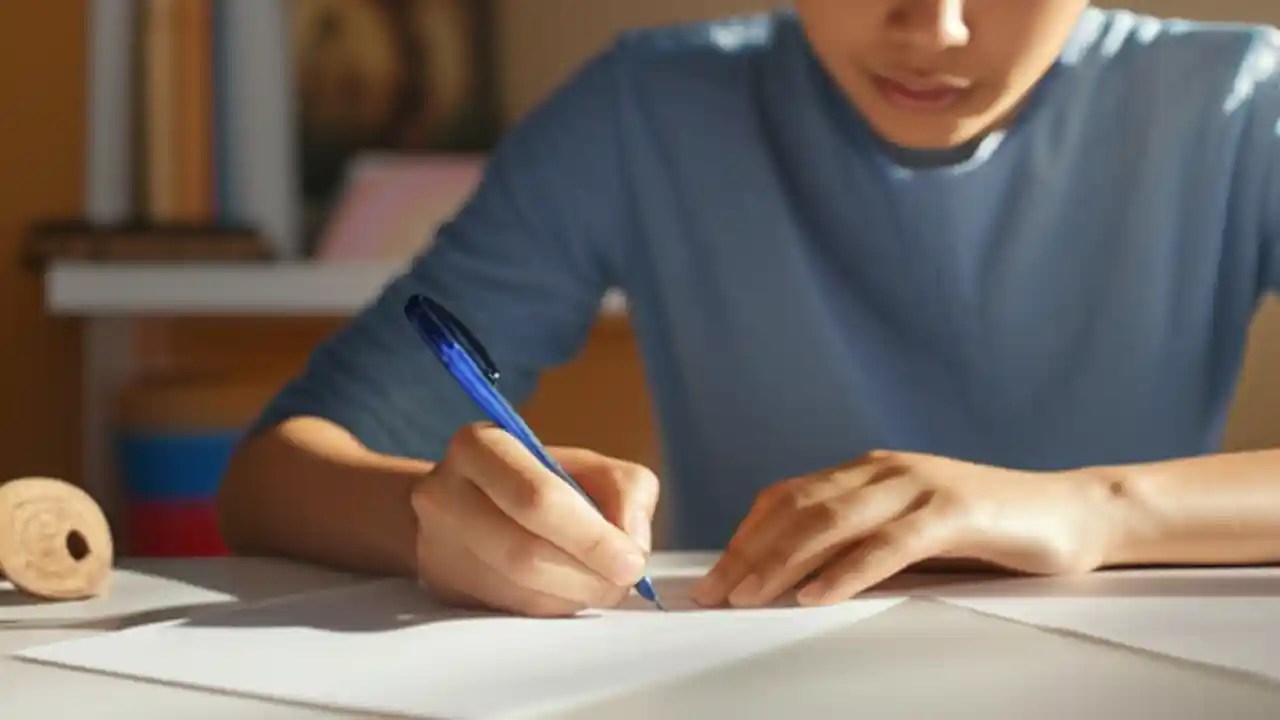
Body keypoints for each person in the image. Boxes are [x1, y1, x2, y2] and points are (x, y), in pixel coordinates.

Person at [218, 0, 1280, 617]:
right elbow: (270, 479)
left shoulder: (1237, 104)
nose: (934, 27)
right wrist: (432, 522)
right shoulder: (645, 110)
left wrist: (1095, 510)